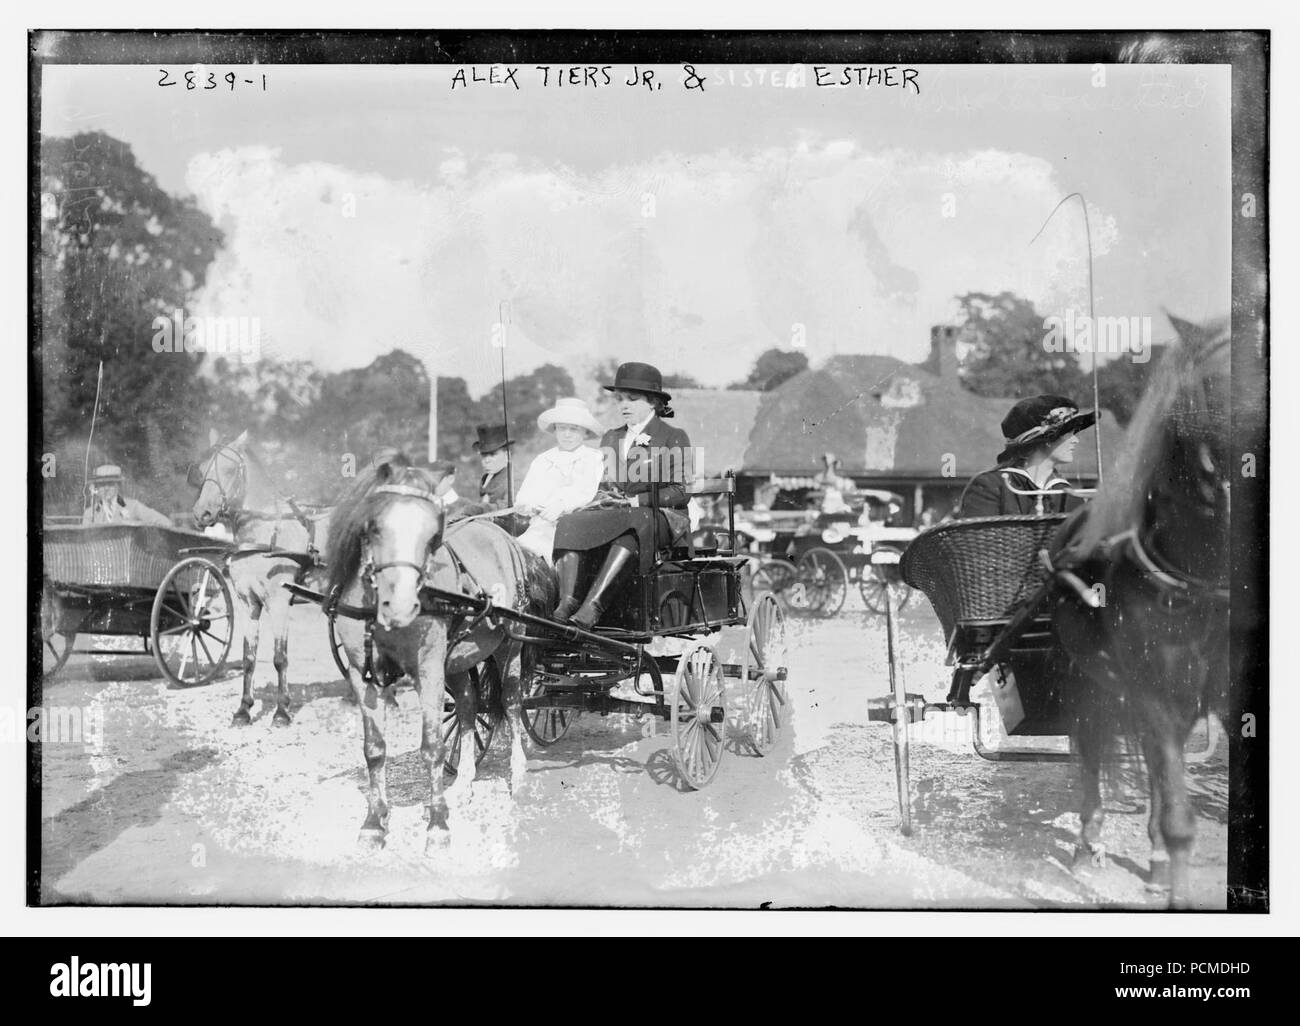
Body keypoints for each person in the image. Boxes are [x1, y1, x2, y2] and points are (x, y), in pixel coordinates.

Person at [551, 363, 692, 628]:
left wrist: (637, 501)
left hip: (662, 519)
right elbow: (605, 484)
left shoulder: (673, 437)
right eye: (620, 399)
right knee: (568, 523)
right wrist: (605, 497)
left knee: (633, 526)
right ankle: (568, 601)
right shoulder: (611, 437)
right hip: (620, 515)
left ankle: (593, 607)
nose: (624, 405)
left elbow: (681, 491)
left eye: (632, 399)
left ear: (653, 403)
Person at [957, 395, 1097, 518]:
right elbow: (977, 544)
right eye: (1068, 434)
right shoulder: (991, 486)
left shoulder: (1069, 495)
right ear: (1048, 438)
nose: (1075, 440)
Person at [513, 398, 605, 563]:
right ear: (554, 429)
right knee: (518, 554)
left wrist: (562, 504)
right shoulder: (543, 459)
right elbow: (524, 496)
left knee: (561, 556)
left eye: (574, 429)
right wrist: (531, 505)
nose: (567, 434)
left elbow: (585, 491)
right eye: (562, 428)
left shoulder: (591, 458)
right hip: (540, 527)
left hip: (574, 528)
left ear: (585, 432)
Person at [82, 464, 172, 526]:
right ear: (97, 488)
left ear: (118, 486)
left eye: (110, 484)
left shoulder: (133, 506)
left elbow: (165, 522)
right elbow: (84, 540)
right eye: (102, 485)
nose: (106, 488)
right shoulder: (90, 513)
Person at [472, 425, 514, 510]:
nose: (487, 460)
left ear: (507, 455)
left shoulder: (513, 478)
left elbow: (508, 507)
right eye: (484, 455)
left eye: (493, 454)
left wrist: (477, 509)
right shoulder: (486, 478)